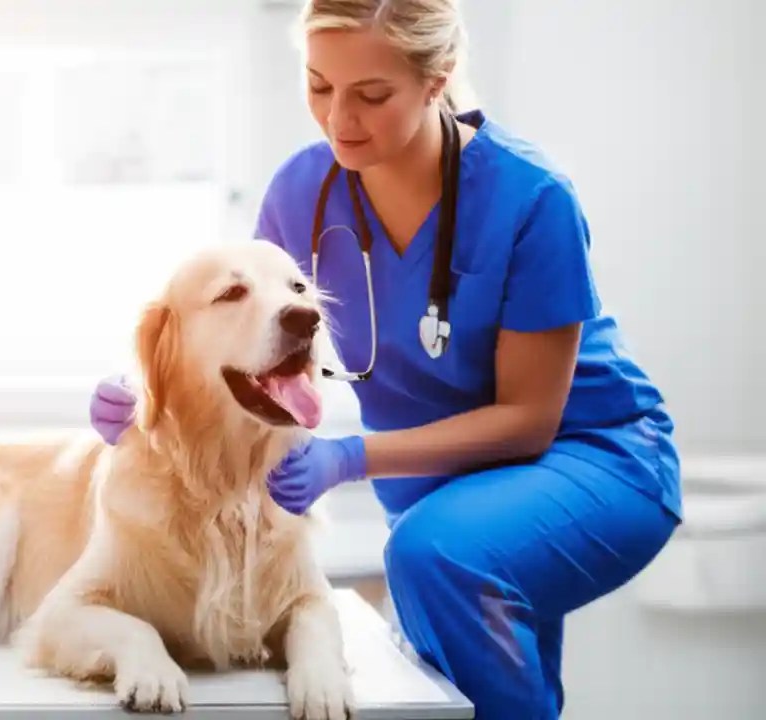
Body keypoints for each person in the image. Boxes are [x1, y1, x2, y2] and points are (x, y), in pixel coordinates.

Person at [87, 1, 682, 717]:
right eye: (319, 86)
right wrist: (144, 386)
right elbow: (242, 335)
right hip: (443, 489)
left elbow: (529, 422)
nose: (340, 119)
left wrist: (350, 458)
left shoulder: (531, 198)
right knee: (475, 662)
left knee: (440, 562)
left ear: (437, 81)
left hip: (595, 457)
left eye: (371, 95)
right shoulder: (301, 192)